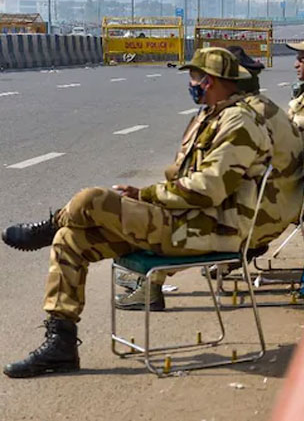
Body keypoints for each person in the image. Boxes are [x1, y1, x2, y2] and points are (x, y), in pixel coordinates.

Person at [1, 48, 272, 378]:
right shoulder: (211, 115)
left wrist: (145, 195)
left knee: (91, 200)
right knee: (69, 240)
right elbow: (185, 181)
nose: (190, 83)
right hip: (182, 221)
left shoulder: (239, 122)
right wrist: (146, 201)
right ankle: (61, 343)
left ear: (209, 81)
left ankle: (44, 227)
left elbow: (209, 189)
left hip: (207, 231)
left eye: (193, 77)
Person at [114, 46, 304, 310]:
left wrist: (154, 194)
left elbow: (204, 183)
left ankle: (152, 280)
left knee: (176, 204)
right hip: (283, 200)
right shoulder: (263, 107)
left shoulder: (244, 115)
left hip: (261, 213)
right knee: (178, 195)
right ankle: (148, 278)